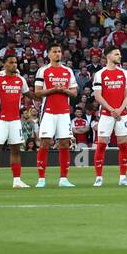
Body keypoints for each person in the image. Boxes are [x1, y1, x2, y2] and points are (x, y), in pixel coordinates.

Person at [34, 44, 78, 188]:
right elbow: (37, 93)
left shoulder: (68, 71)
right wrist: (53, 89)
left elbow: (74, 93)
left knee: (65, 143)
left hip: (64, 113)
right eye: (54, 52)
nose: (58, 54)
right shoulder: (43, 71)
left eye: (59, 51)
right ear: (48, 54)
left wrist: (64, 90)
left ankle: (63, 178)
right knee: (45, 143)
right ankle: (41, 178)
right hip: (48, 112)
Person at [92, 47, 127, 186]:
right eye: (117, 54)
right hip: (106, 114)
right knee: (101, 145)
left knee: (123, 145)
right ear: (108, 56)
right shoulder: (100, 74)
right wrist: (112, 110)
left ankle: (123, 177)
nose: (120, 56)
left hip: (122, 114)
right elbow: (98, 95)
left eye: (120, 54)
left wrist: (120, 109)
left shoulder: (124, 73)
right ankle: (99, 177)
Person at [0, 54, 31, 190]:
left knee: (16, 150)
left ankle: (17, 180)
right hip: (1, 121)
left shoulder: (21, 80)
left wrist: (46, 95)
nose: (14, 65)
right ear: (4, 64)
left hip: (15, 121)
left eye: (16, 62)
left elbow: (30, 95)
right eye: (11, 62)